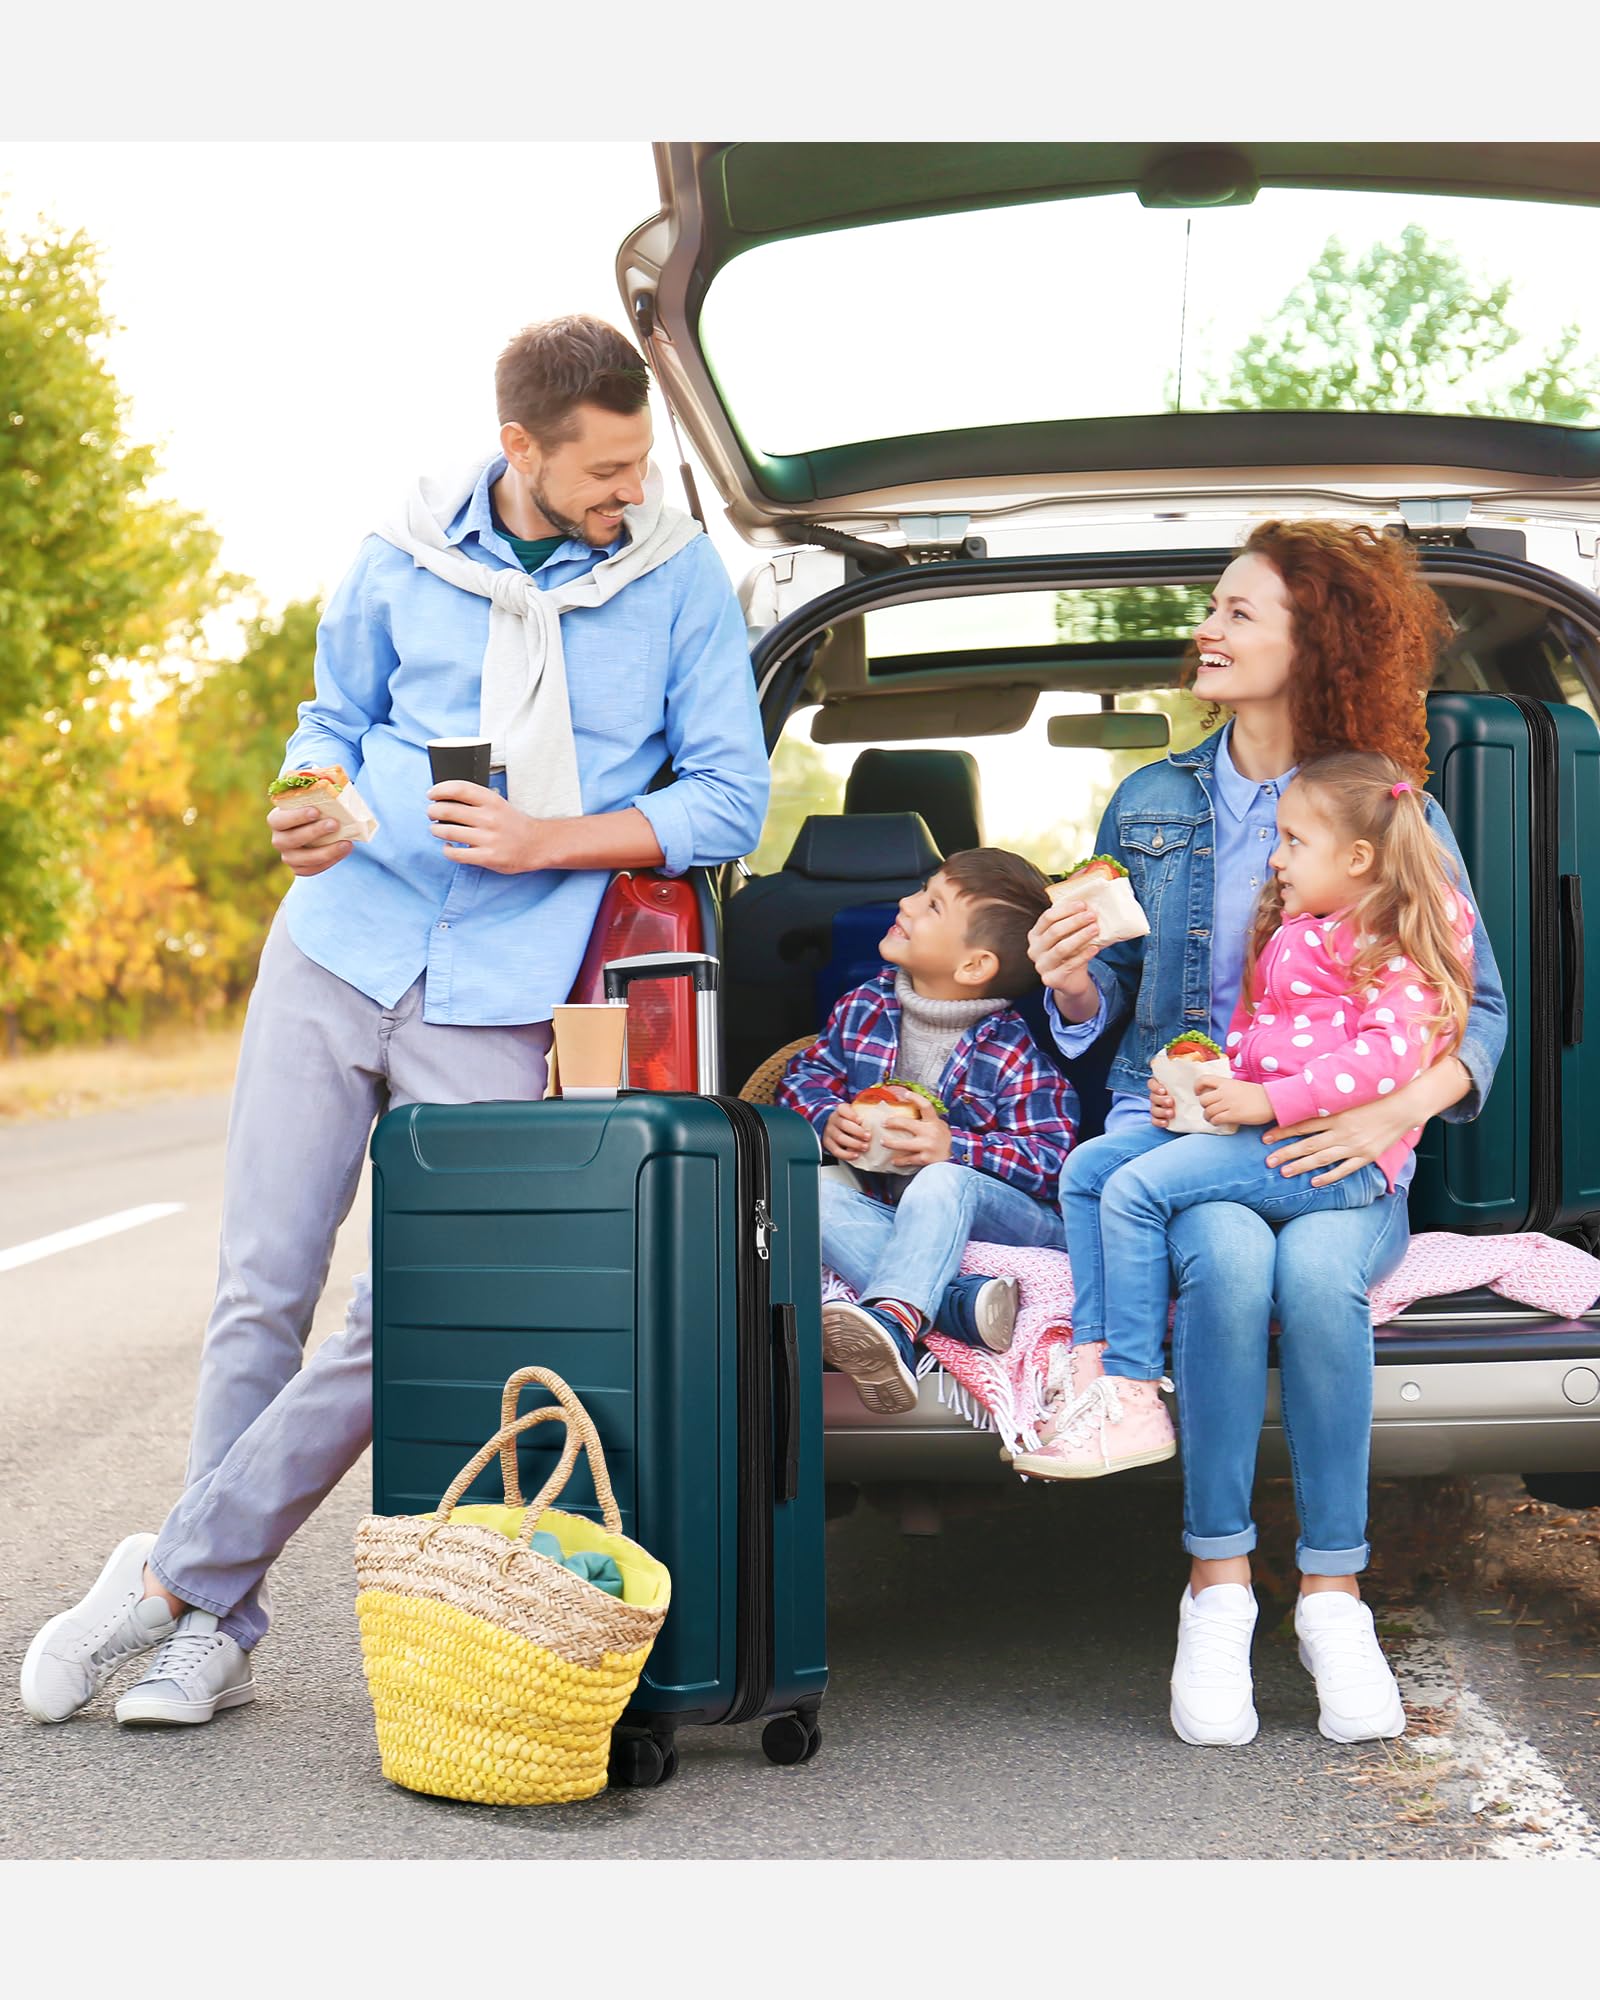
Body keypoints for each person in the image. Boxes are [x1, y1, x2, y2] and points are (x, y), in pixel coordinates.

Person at [20, 314, 769, 1730]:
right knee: (261, 1292)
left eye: (643, 464)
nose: (632, 493)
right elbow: (328, 716)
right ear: (519, 449)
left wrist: (549, 841)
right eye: (604, 470)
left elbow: (732, 799)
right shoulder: (396, 554)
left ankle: (173, 1574)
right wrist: (307, 801)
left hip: (503, 993)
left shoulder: (676, 579)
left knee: (420, 1310)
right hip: (337, 947)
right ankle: (215, 1629)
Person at [1025, 520, 1507, 1750]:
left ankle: (1333, 1598)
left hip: (1345, 1139)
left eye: (1239, 611)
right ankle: (1218, 1588)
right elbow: (1106, 1018)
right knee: (1231, 1260)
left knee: (1302, 1271)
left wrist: (1396, 1107)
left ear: (1315, 643)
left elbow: (1476, 1006)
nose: (1208, 627)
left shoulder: (1384, 809)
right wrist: (1072, 984)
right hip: (1176, 1121)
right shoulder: (1147, 798)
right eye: (1214, 606)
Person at [1034, 752, 1476, 1489]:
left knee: (1137, 1192)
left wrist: (1267, 1103)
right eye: (1275, 838)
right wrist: (1208, 1091)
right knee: (1086, 1169)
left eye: (1293, 842)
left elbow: (1391, 1055)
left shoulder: (1393, 935)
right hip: (1247, 1121)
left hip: (1316, 1142)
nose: (1275, 859)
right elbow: (1250, 1040)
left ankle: (1135, 1388)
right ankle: (1094, 1362)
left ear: (1359, 857)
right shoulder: (1290, 928)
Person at [777, 848, 1078, 1414]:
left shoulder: (1009, 1050)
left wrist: (954, 1147)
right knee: (807, 1194)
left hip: (1010, 1219)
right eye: (922, 890)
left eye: (932, 904)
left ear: (973, 966)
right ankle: (964, 1307)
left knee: (942, 1179)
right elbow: (801, 1077)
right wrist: (825, 1117)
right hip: (892, 1214)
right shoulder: (863, 1006)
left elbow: (1054, 1160)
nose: (906, 902)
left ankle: (892, 1321)